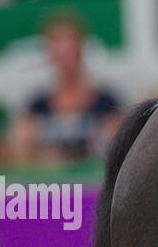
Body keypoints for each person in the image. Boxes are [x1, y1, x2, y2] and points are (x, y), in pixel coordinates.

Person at [7, 13, 120, 166]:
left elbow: (117, 150)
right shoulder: (34, 107)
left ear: (81, 47)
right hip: (52, 185)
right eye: (57, 43)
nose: (64, 50)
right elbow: (21, 156)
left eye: (70, 42)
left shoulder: (108, 103)